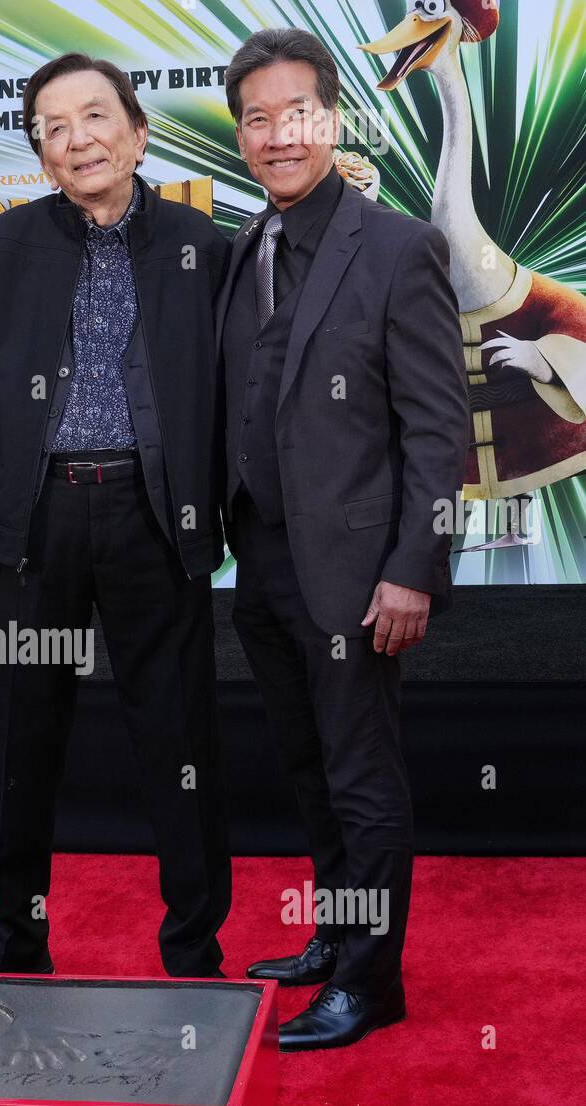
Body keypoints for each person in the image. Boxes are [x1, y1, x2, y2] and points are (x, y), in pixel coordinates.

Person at [0, 52, 232, 978]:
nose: (78, 139)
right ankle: (16, 946)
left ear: (138, 133)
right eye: (54, 129)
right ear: (41, 157)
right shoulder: (5, 247)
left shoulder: (201, 248)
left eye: (95, 118)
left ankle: (193, 950)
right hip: (33, 527)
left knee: (179, 740)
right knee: (21, 740)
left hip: (153, 520)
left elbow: (237, 394)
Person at [219, 28, 469, 1049]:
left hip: (358, 572)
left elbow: (439, 429)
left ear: (332, 119)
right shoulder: (246, 245)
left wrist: (413, 567)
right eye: (256, 117)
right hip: (262, 564)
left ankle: (370, 982)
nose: (277, 135)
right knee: (308, 768)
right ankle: (332, 937)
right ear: (238, 132)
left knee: (362, 778)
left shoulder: (399, 246)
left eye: (296, 113)